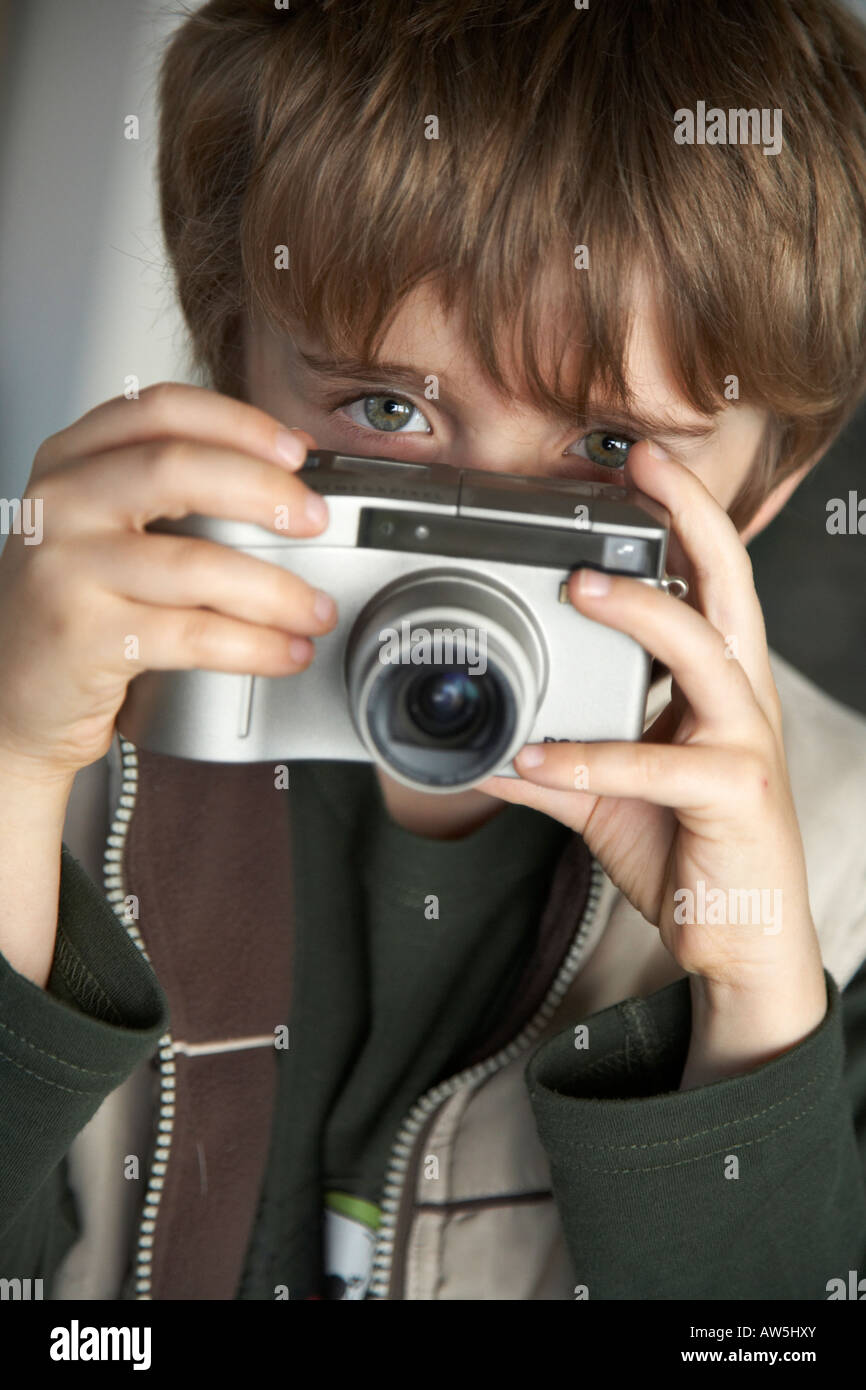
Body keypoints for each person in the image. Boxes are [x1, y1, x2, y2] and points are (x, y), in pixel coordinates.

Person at [1, 0, 865, 1301]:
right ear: (227, 363)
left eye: (605, 449)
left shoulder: (847, 861)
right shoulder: (61, 712)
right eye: (387, 407)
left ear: (765, 488)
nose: (472, 551)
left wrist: (750, 1010)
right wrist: (12, 770)